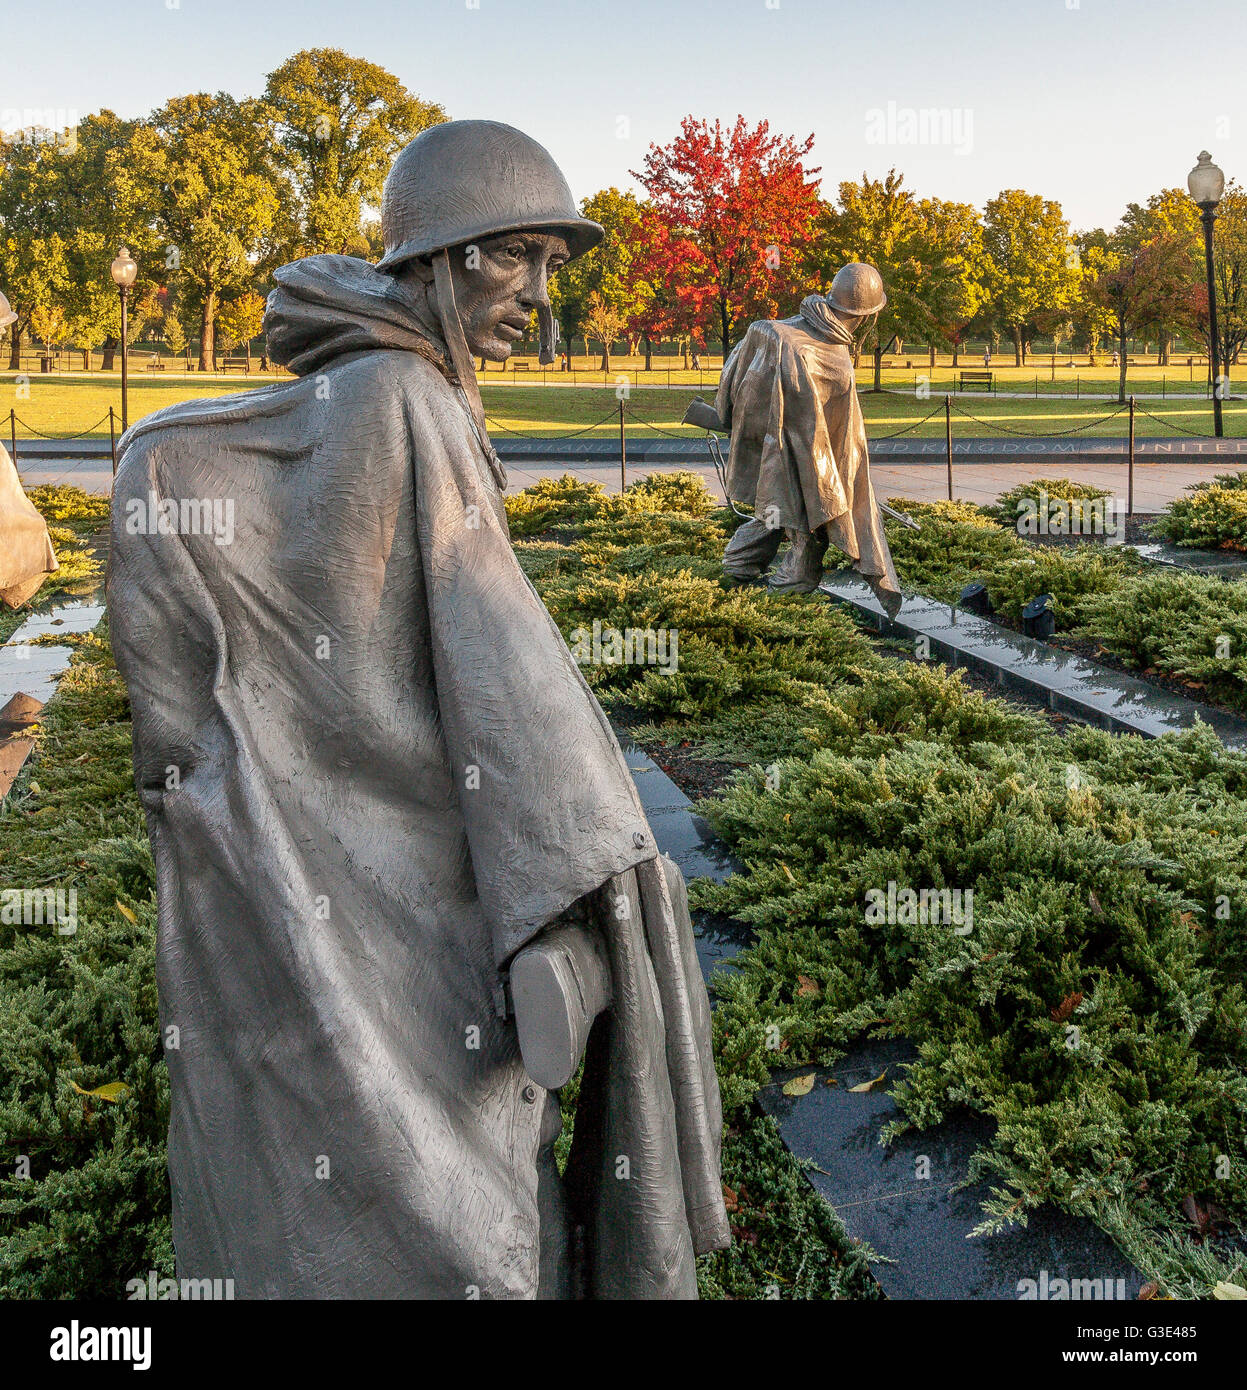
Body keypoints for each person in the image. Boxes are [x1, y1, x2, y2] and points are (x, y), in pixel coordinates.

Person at [108, 120, 727, 1300]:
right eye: (517, 258)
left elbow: (163, 472)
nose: (539, 296)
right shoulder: (414, 401)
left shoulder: (350, 389)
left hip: (309, 881)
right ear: (440, 262)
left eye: (551, 265)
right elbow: (509, 682)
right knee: (463, 1196)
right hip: (426, 882)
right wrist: (591, 881)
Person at [685, 263, 901, 615]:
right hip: (808, 474)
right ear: (867, 317)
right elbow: (846, 448)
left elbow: (730, 386)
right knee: (807, 541)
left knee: (770, 518)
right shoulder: (839, 365)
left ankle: (733, 578)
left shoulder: (768, 330)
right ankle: (778, 615)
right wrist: (849, 496)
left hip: (768, 462)